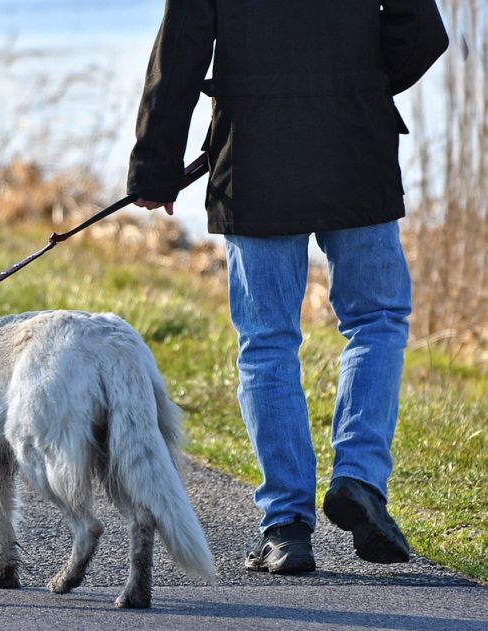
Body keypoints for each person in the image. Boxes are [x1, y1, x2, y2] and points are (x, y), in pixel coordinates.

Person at [128, 1, 448, 573]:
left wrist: (155, 166)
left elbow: (179, 50)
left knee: (268, 341)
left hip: (254, 160)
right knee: (377, 321)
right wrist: (357, 85)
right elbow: (422, 34)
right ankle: (360, 481)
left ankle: (286, 527)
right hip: (356, 146)